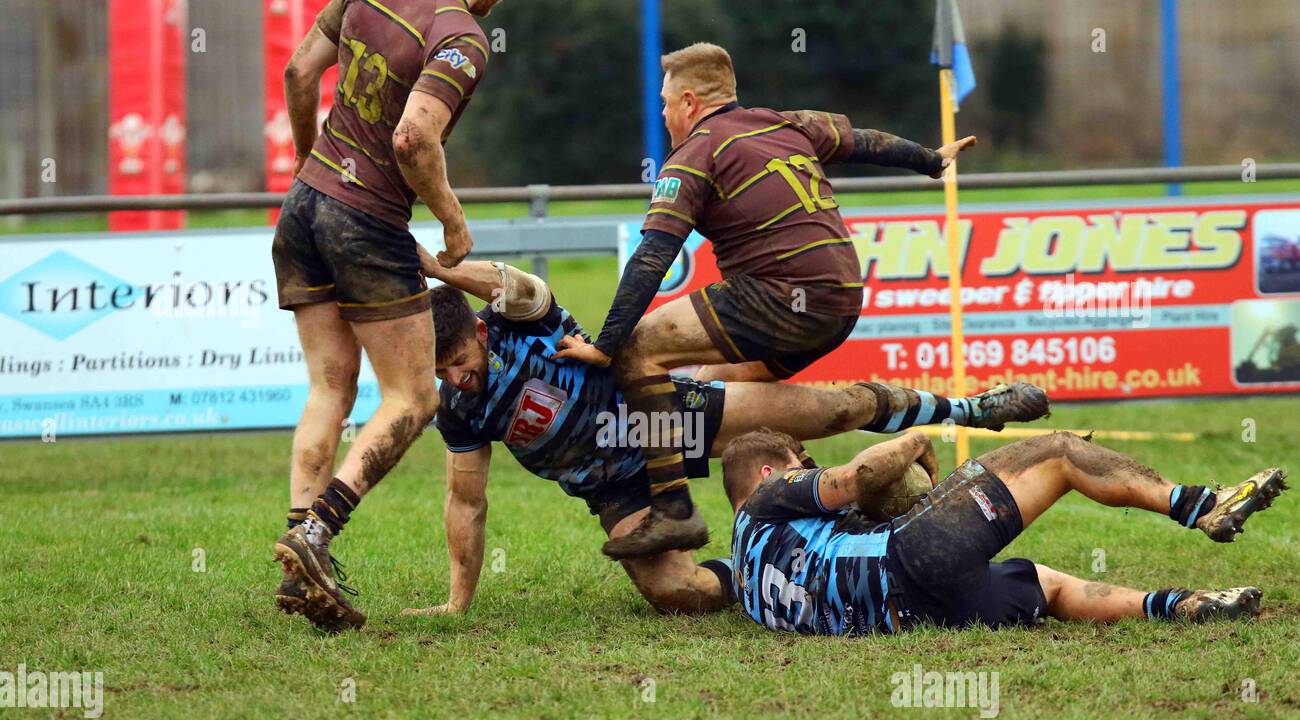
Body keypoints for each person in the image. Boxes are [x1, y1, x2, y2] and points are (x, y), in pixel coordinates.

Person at [404, 257, 1048, 616]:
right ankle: (769, 570)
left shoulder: (517, 322)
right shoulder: (458, 409)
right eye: (441, 373)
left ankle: (971, 406)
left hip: (662, 417)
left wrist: (440, 267)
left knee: (829, 413)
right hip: (615, 489)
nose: (455, 379)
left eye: (458, 361)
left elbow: (518, 283)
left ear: (480, 333)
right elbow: (467, 502)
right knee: (674, 595)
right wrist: (457, 603)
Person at [554, 41, 977, 560]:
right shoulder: (786, 123)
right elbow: (864, 142)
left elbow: (652, 257)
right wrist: (931, 159)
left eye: (666, 103)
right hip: (840, 299)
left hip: (780, 296)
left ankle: (672, 509)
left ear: (689, 102)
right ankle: (817, 507)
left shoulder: (694, 154)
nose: (663, 114)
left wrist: (605, 345)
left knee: (640, 348)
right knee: (722, 387)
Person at [270, 0, 502, 630]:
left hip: (304, 207)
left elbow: (297, 73)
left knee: (330, 386)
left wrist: (303, 158)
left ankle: (297, 561)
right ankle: (314, 538)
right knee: (413, 398)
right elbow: (412, 137)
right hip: (365, 221)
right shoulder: (461, 36)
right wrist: (453, 220)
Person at [720, 427, 1287, 634]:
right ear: (769, 473)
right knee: (1060, 452)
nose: (808, 469)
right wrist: (918, 439)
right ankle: (1205, 504)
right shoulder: (771, 495)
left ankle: (1185, 605)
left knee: (1050, 587)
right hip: (909, 560)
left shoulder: (745, 572)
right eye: (801, 462)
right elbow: (862, 474)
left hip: (909, 617)